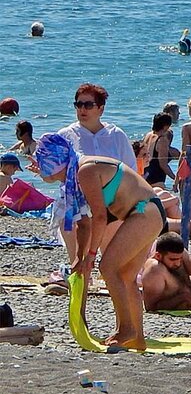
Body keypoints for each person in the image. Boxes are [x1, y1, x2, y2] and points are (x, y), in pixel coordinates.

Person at [34, 133, 166, 350]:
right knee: (126, 277)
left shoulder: (85, 171)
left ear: (55, 164)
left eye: (44, 167)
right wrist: (79, 257)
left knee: (108, 267)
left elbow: (100, 217)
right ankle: (137, 338)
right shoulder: (76, 173)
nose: (42, 173)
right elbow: (84, 223)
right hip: (145, 212)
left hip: (144, 211)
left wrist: (92, 256)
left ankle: (126, 329)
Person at [56, 83, 138, 264]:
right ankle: (78, 290)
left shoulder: (116, 135)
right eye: (78, 104)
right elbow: (53, 175)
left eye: (88, 105)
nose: (82, 109)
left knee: (111, 260)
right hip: (76, 206)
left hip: (112, 205)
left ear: (101, 108)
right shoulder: (65, 135)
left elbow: (131, 172)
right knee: (77, 260)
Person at [140, 113, 176, 187]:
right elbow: (163, 164)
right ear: (166, 126)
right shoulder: (162, 140)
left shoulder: (148, 135)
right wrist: (175, 179)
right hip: (156, 178)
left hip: (145, 174)